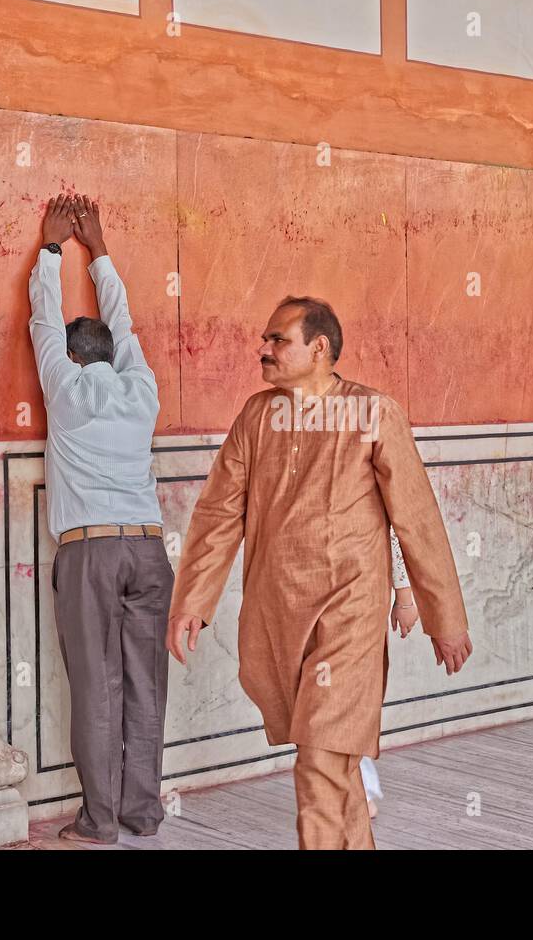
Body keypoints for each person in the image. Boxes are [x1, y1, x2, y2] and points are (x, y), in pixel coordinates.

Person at [166, 296, 472, 849]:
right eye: (266, 339)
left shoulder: (375, 413)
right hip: (278, 619)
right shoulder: (257, 417)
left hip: (349, 616)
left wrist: (442, 615)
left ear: (319, 348)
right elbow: (218, 513)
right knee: (333, 768)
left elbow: (416, 519)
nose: (263, 349)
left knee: (319, 761)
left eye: (277, 340)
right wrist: (193, 599)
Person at [30, 194, 173, 845]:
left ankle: (101, 820)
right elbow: (126, 320)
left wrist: (52, 249)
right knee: (146, 686)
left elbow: (41, 316)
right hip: (148, 552)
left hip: (90, 554)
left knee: (97, 688)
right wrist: (102, 248)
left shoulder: (63, 385)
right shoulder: (141, 385)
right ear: (112, 356)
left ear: (72, 354)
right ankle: (143, 811)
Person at [362, 529, 420, 819]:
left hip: (358, 595)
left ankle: (360, 789)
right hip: (298, 594)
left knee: (346, 699)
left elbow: (393, 529)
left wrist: (405, 598)